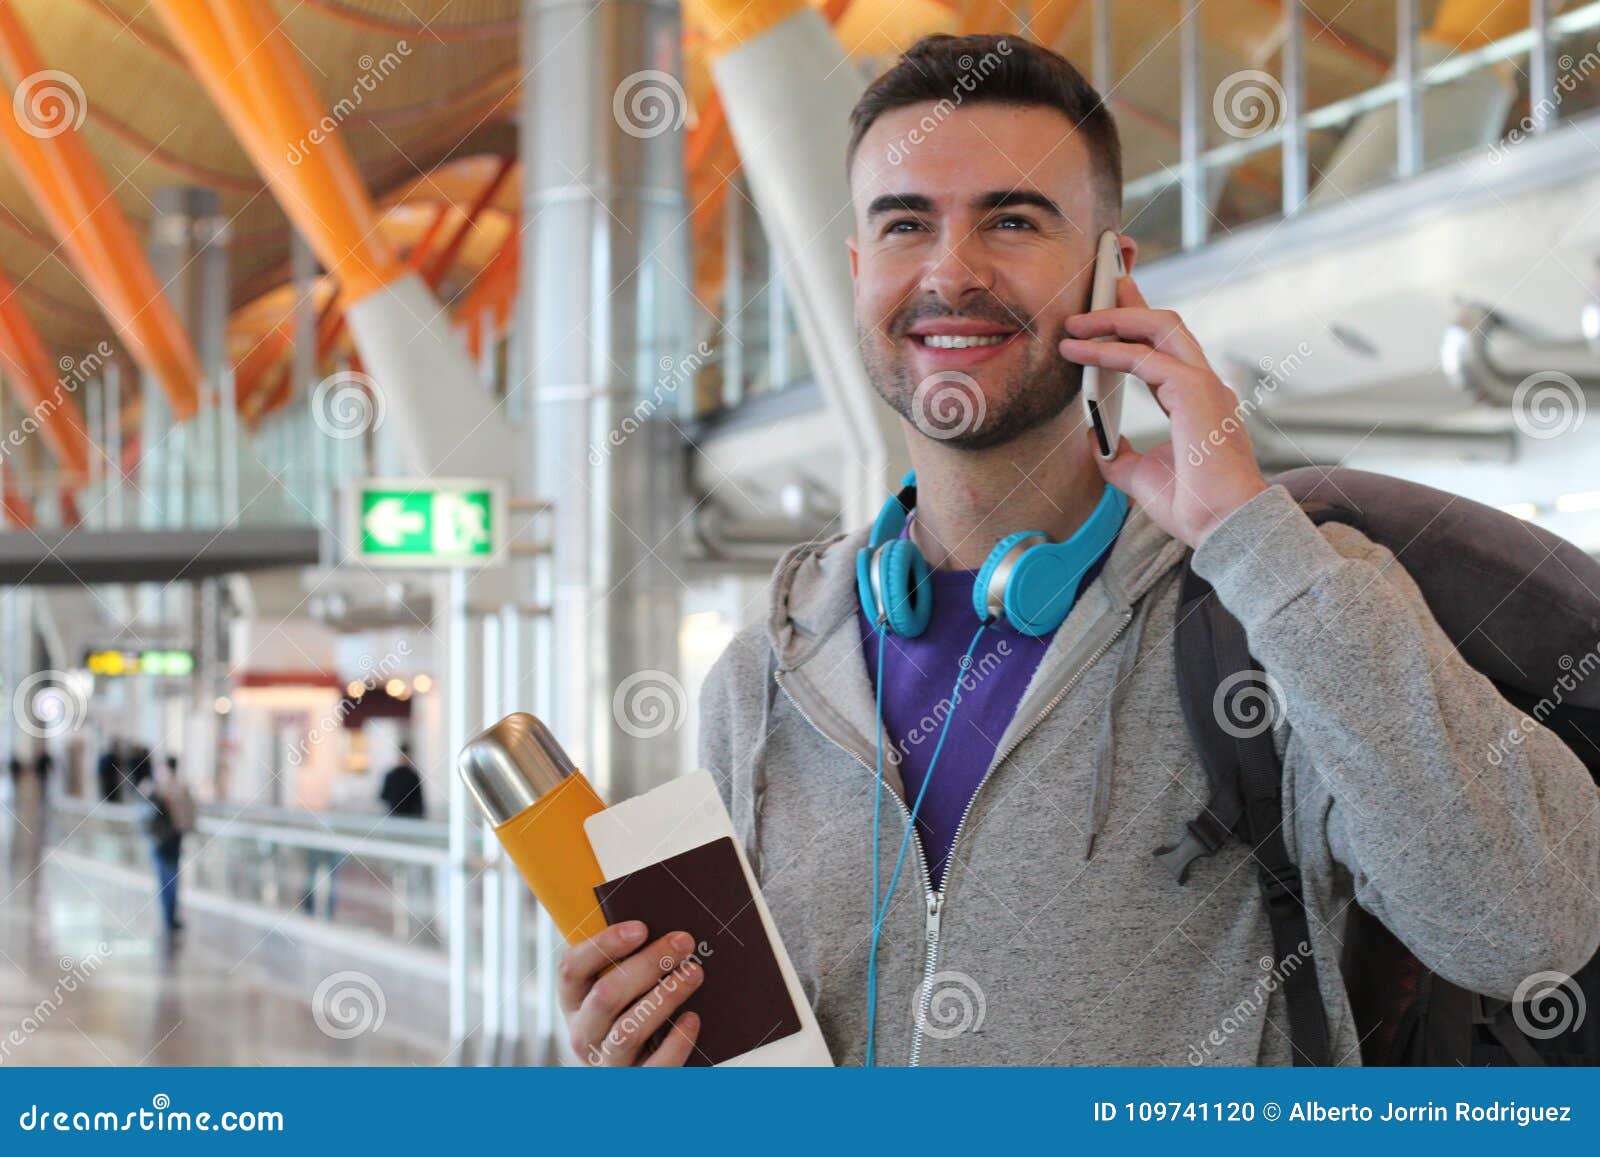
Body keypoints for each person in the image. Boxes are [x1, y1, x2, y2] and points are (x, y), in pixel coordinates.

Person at [557, 34, 1600, 1067]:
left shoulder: (1268, 607)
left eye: (1011, 219)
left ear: (1109, 269)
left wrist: (1248, 532)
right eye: (904, 224)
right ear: (857, 269)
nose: (950, 270)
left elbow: (1524, 926)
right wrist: (646, 1052)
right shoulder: (763, 677)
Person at [140, 755, 195, 936]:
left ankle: (169, 918)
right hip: (173, 839)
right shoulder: (180, 787)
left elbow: (142, 812)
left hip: (161, 840)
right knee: (172, 879)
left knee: (165, 879)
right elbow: (189, 816)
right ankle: (170, 918)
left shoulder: (153, 786)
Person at [378, 741, 425, 819]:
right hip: (394, 816)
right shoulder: (391, 775)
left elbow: (418, 801)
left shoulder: (413, 776)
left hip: (409, 817)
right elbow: (384, 796)